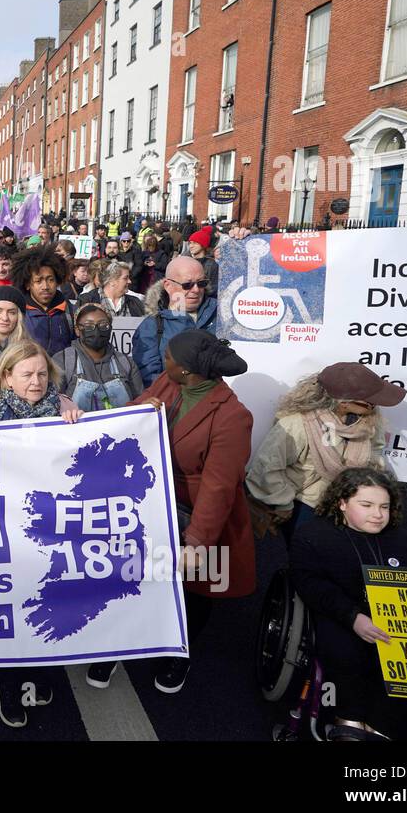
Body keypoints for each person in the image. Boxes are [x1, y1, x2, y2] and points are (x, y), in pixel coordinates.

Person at [88, 330, 254, 695]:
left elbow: (219, 486)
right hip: (150, 500)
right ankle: (119, 645)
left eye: (168, 357)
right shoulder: (169, 381)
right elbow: (136, 411)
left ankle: (178, 653)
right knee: (132, 577)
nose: (162, 360)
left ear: (188, 371)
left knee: (193, 590)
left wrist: (196, 542)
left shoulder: (232, 416)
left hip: (199, 511)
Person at [0, 339, 79, 728]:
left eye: (42, 373)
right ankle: (9, 681)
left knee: (47, 605)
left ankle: (40, 670)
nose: (36, 382)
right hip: (6, 531)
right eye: (27, 374)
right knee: (12, 608)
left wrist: (80, 428)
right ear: (7, 377)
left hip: (52, 531)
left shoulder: (65, 407)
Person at [288, 467, 407, 739]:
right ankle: (349, 720)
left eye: (385, 506)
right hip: (341, 614)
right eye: (367, 505)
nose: (378, 514)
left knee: (402, 660)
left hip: (399, 622)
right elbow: (311, 584)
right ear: (342, 502)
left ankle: (380, 728)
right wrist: (353, 617)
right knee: (348, 654)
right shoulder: (313, 536)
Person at [246, 363, 403, 541]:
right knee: (308, 554)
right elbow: (267, 468)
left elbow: (375, 451)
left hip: (349, 502)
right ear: (343, 402)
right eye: (371, 401)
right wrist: (282, 503)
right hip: (305, 506)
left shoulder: (368, 423)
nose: (375, 405)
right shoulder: (297, 425)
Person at [131, 255, 218, 386]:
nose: (196, 290)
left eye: (201, 283)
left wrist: (241, 239)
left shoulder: (223, 314)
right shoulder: (151, 325)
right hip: (175, 402)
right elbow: (150, 379)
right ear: (168, 285)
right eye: (187, 285)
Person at [56, 304, 144, 410]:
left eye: (103, 325)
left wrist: (146, 403)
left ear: (110, 328)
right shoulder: (63, 361)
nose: (96, 331)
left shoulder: (125, 363)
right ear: (77, 330)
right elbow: (53, 405)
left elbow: (140, 402)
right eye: (89, 326)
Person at [12, 246, 74, 356]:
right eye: (38, 281)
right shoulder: (18, 313)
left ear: (58, 281)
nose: (45, 286)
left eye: (50, 280)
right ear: (27, 284)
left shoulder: (71, 311)